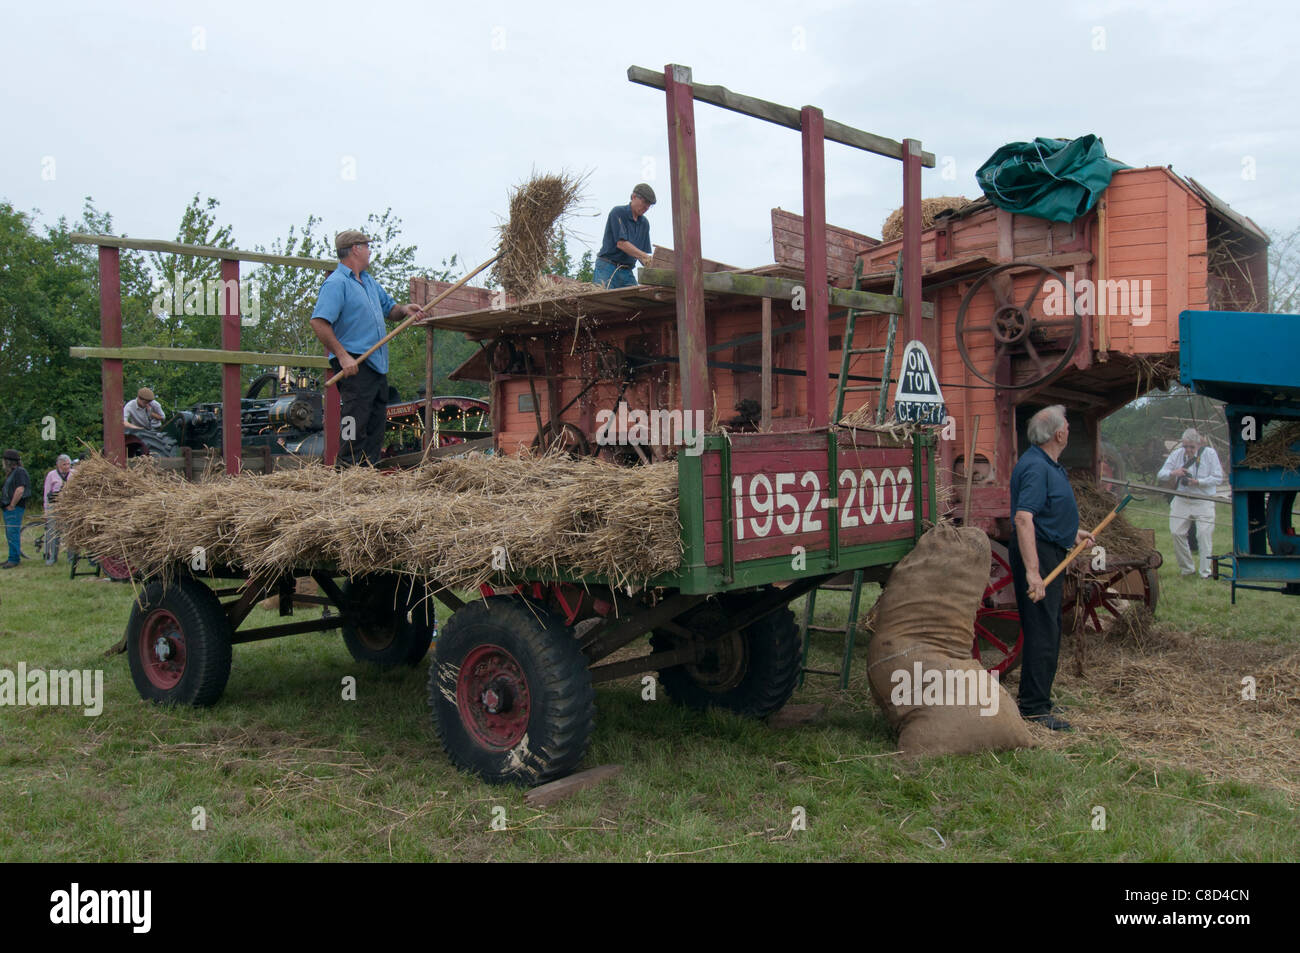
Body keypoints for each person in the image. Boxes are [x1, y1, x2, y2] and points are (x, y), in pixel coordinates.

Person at [1008, 406, 1095, 731]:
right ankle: (1033, 708)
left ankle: (1038, 698)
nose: (1070, 431)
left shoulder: (1047, 465)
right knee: (1043, 630)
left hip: (1050, 548)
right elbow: (1023, 518)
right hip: (1039, 557)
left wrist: (1070, 534)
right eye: (1068, 427)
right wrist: (1033, 572)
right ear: (1058, 434)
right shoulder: (1035, 468)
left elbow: (1043, 515)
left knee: (1050, 627)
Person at [310, 229, 422, 466]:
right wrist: (343, 357)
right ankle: (347, 467)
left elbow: (390, 310)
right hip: (354, 362)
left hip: (376, 363)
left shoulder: (369, 282)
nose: (370, 252)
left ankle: (369, 469)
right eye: (367, 246)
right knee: (354, 417)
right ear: (355, 249)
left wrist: (404, 310)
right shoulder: (336, 283)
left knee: (376, 419)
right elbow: (319, 322)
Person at [1157, 428, 1223, 578]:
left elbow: (1218, 478)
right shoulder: (1177, 454)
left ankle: (1205, 573)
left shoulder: (1209, 454)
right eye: (1185, 446)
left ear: (1198, 445)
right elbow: (1161, 474)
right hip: (1181, 498)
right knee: (1176, 532)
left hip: (1204, 500)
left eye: (1191, 447)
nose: (1188, 450)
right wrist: (1174, 473)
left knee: (1203, 535)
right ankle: (1187, 569)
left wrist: (1199, 482)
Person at [593, 183, 656, 289]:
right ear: (633, 197)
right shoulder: (618, 213)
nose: (646, 207)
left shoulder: (644, 223)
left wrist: (654, 268)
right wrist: (645, 257)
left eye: (649, 204)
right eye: (645, 202)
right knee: (603, 300)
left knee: (637, 301)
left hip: (627, 271)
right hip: (607, 267)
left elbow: (641, 256)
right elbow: (621, 244)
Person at [2, 449, 31, 569]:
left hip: (14, 508)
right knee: (10, 534)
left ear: (8, 461)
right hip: (9, 508)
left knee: (13, 533)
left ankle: (14, 559)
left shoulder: (20, 472)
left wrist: (12, 505)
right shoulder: (13, 472)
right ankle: (11, 557)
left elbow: (20, 490)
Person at [42, 454, 73, 565]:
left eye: (68, 464)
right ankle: (52, 557)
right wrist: (46, 510)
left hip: (69, 506)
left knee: (70, 532)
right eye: (64, 464)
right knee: (53, 533)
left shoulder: (74, 474)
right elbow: (46, 492)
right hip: (54, 506)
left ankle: (71, 558)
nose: (67, 466)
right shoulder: (51, 475)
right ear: (59, 465)